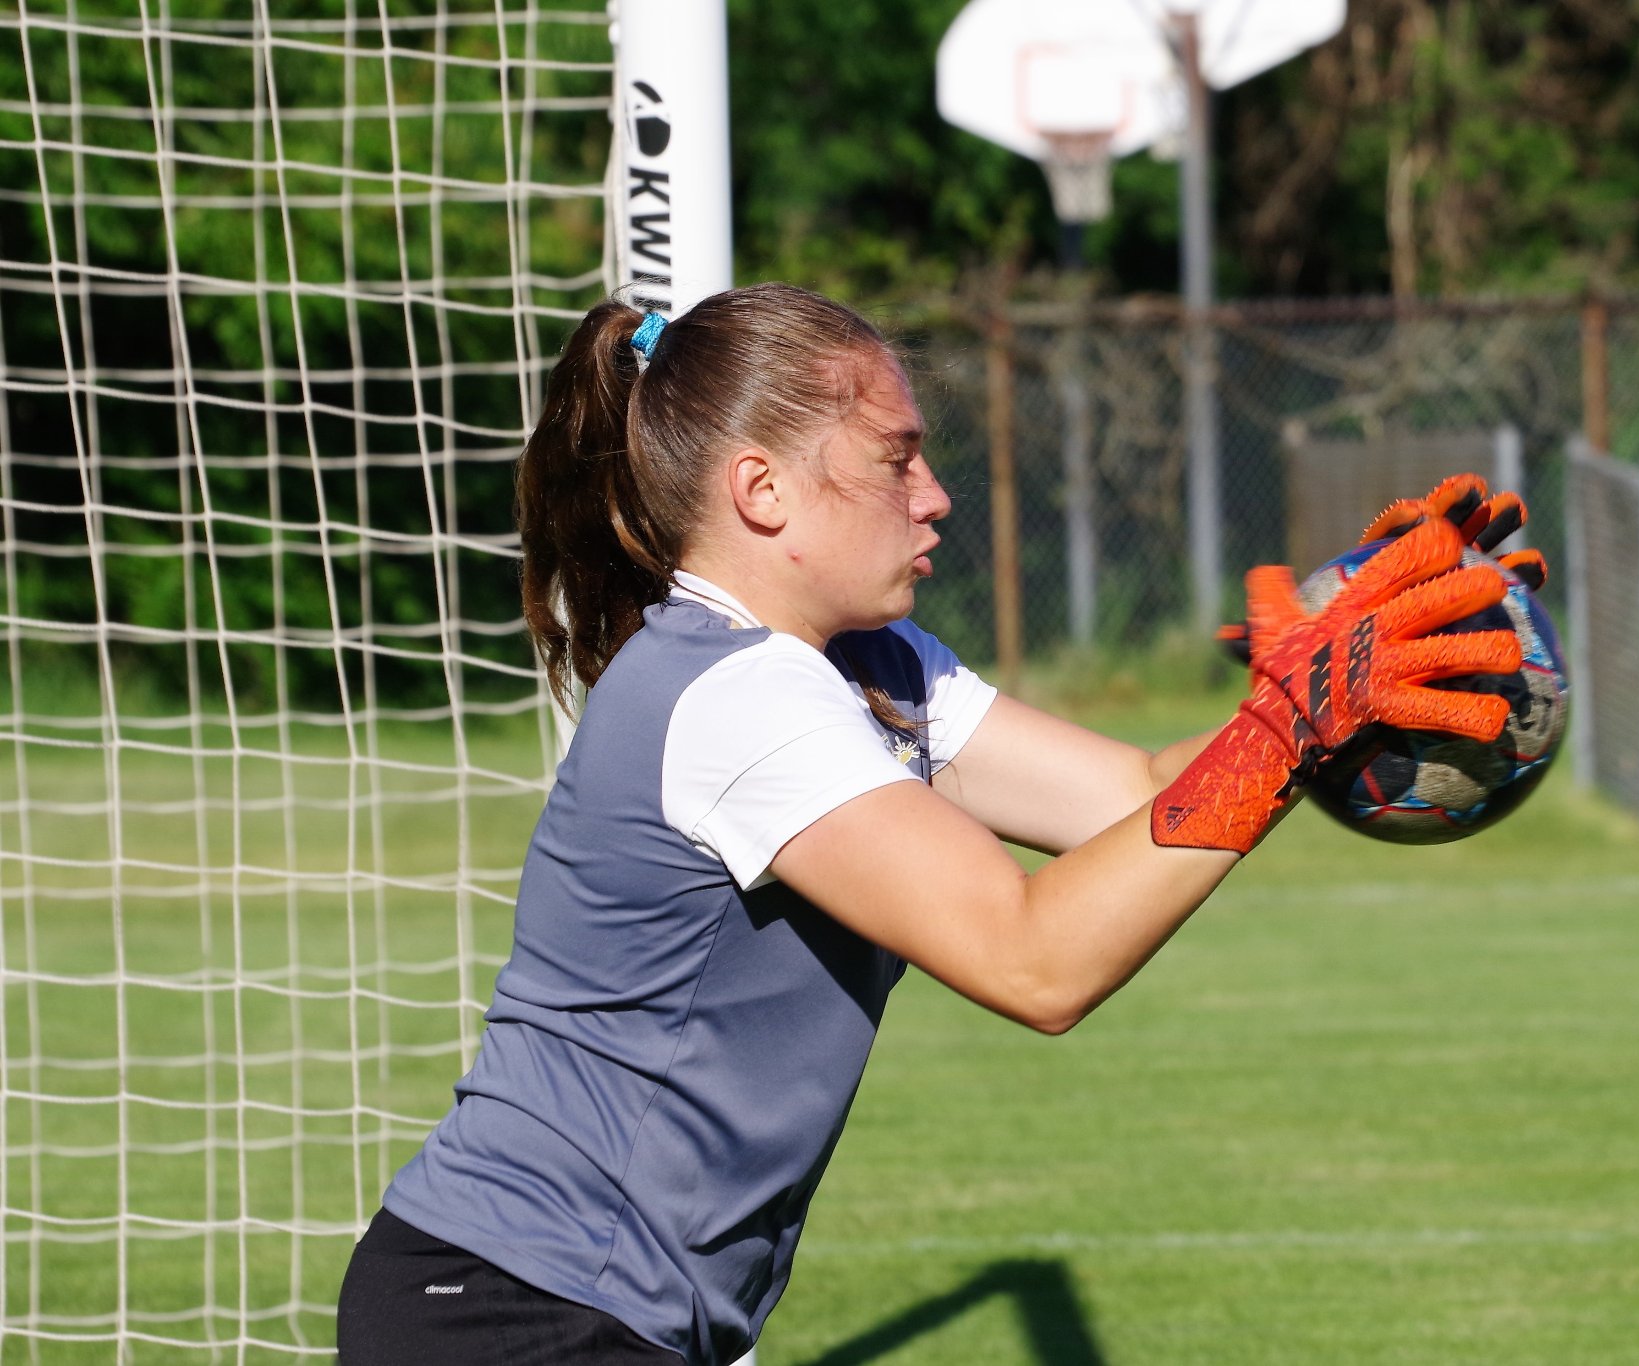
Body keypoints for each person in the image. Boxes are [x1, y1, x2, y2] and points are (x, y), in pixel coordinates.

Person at [335, 282, 1536, 1365]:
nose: (935, 496)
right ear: (761, 490)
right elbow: (1035, 959)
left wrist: (1315, 696)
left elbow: (1132, 800)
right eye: (895, 459)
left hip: (570, 1307)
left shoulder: (868, 665)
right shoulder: (731, 696)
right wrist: (1282, 728)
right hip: (508, 1309)